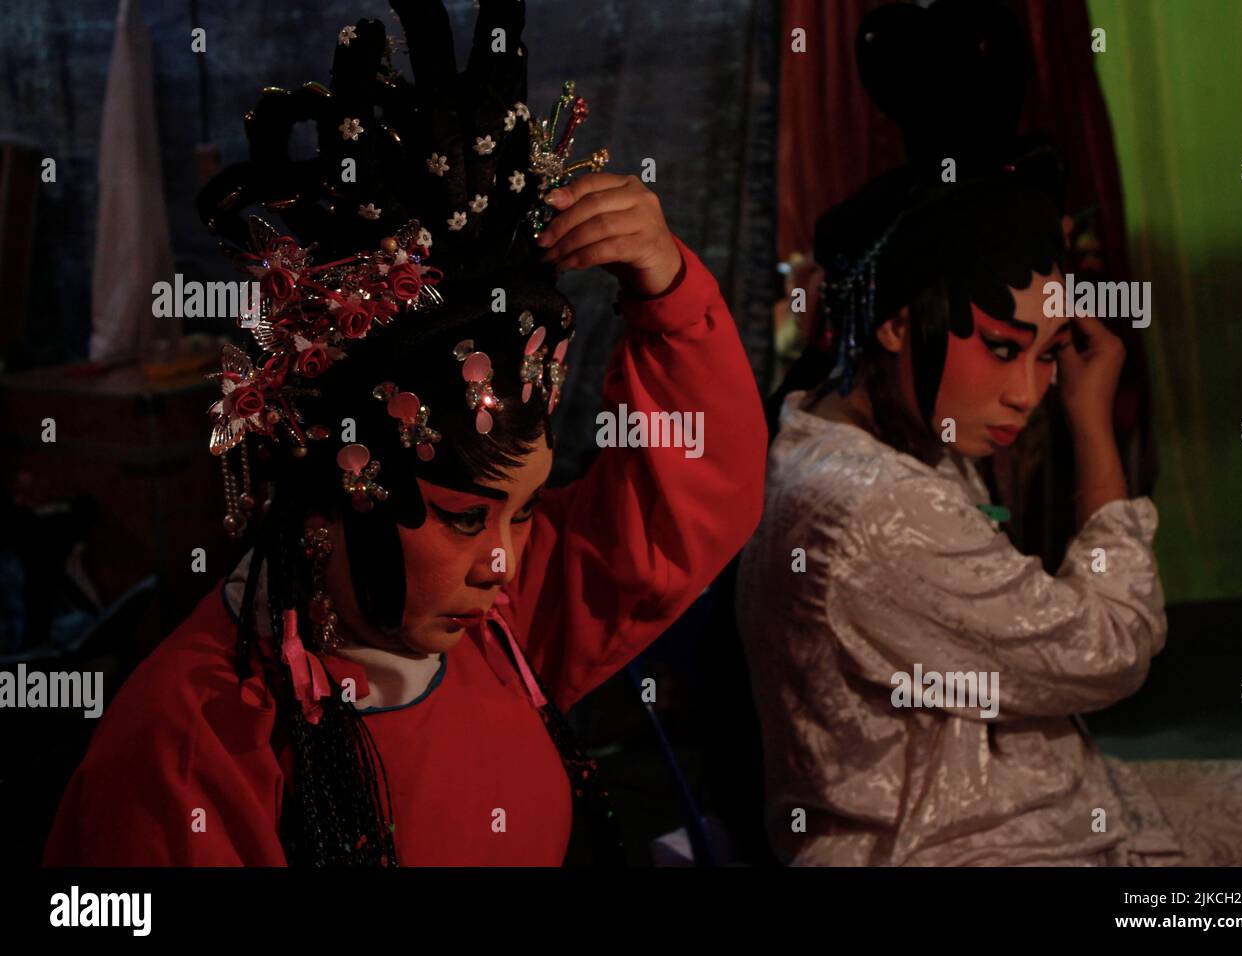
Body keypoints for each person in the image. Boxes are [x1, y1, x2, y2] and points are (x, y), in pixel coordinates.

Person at [44, 0, 765, 866]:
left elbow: (682, 511)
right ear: (332, 499)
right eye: (467, 516)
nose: (504, 562)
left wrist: (670, 294)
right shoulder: (198, 747)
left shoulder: (495, 626)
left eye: (527, 510)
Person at [736, 0, 1242, 866]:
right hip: (965, 846)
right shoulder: (878, 511)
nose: (1030, 391)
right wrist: (1093, 426)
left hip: (1043, 803)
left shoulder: (831, 428)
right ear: (894, 323)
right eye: (1002, 347)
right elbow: (1108, 651)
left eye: (1049, 354)